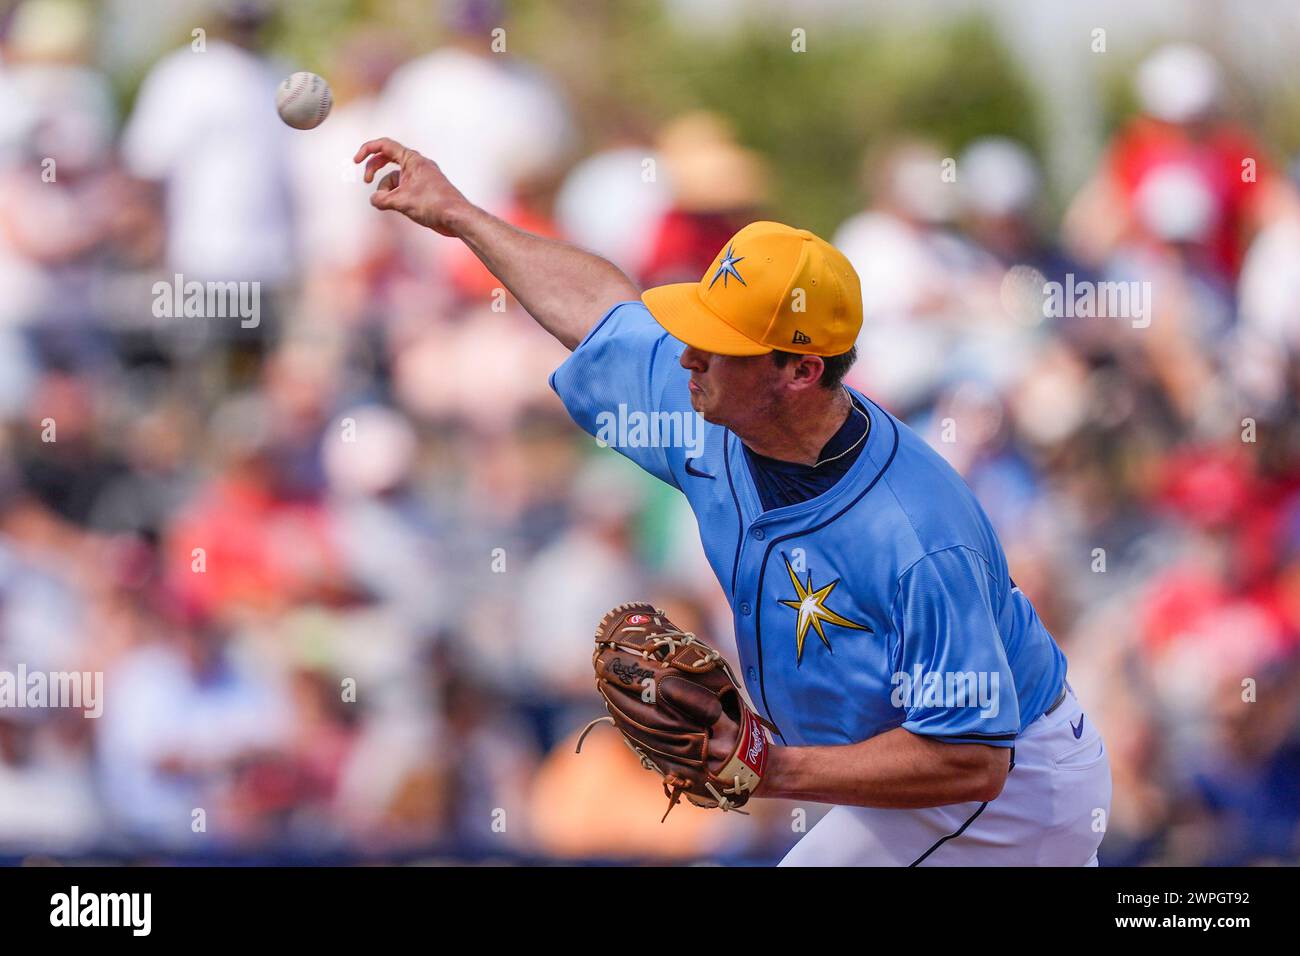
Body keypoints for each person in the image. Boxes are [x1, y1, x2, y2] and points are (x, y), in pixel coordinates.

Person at [351, 136, 1111, 866]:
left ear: (800, 370)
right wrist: (459, 216)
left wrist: (761, 766)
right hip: (934, 784)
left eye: (720, 341)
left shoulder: (916, 532)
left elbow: (971, 758)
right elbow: (604, 316)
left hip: (1010, 797)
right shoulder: (711, 412)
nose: (688, 351)